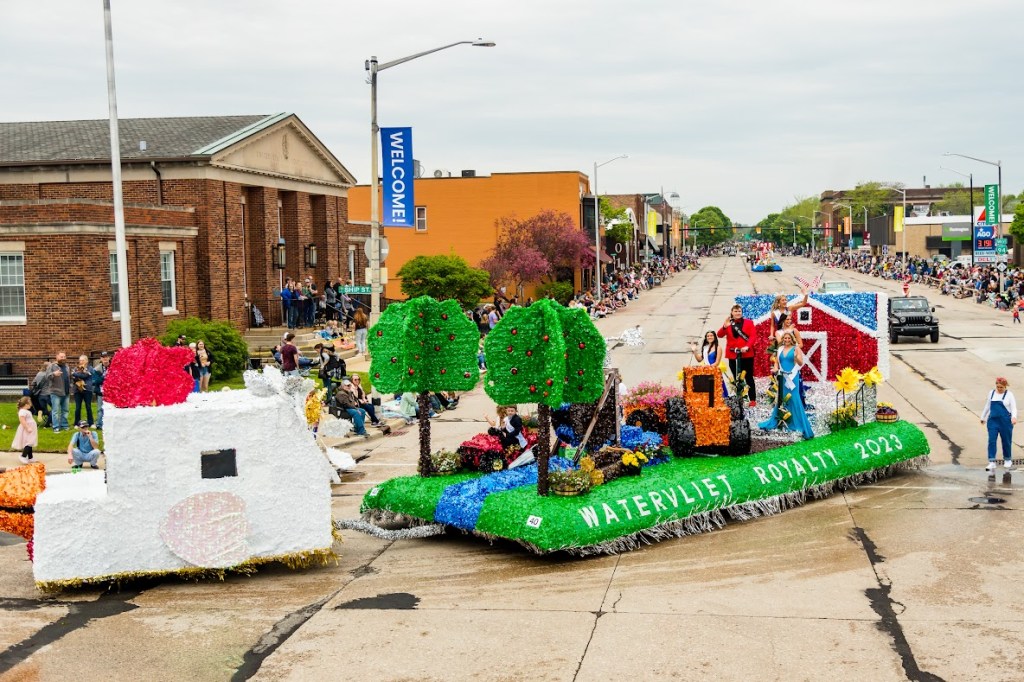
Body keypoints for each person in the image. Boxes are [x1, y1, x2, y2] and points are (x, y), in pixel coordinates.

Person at [758, 331, 814, 439]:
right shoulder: (780, 349)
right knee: (782, 397)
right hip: (783, 376)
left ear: (792, 339)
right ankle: (781, 420)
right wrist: (775, 368)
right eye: (785, 338)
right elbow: (777, 362)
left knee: (794, 398)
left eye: (789, 338)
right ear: (783, 339)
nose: (787, 340)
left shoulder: (796, 348)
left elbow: (800, 363)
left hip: (793, 377)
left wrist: (796, 357)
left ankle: (798, 423)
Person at [717, 304, 757, 406]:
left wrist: (747, 346)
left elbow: (753, 336)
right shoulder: (728, 323)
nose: (738, 313)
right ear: (732, 313)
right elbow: (719, 335)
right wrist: (724, 327)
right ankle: (739, 398)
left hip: (747, 354)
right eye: (735, 311)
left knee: (748, 377)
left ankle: (752, 399)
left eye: (739, 311)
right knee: (736, 378)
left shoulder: (749, 322)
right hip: (732, 354)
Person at [980, 377, 1016, 471]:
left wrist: (1014, 417)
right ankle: (992, 462)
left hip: (1005, 422)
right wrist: (983, 417)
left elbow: (1013, 408)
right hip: (993, 421)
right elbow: (987, 406)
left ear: (1005, 386)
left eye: (1001, 387)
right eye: (998, 387)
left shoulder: (1009, 395)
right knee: (992, 440)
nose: (999, 389)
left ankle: (1007, 460)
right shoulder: (991, 393)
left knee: (1006, 441)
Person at [46, 352, 71, 433]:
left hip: (66, 392)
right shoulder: (52, 366)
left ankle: (64, 425)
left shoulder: (66, 366)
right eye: (61, 357)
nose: (63, 358)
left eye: (64, 356)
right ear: (57, 357)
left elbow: (69, 378)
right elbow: (47, 377)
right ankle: (56, 427)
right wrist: (54, 374)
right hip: (56, 392)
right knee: (56, 411)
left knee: (65, 410)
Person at [12, 396, 37, 464]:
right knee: (29, 443)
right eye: (30, 403)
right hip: (27, 430)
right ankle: (23, 456)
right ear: (26, 404)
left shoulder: (26, 411)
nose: (31, 405)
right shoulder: (22, 411)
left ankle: (30, 457)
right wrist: (27, 427)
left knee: (30, 443)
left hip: (30, 429)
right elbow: (22, 421)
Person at [30, 360, 52, 428]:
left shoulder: (39, 373)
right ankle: (48, 423)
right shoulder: (49, 375)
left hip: (40, 396)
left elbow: (33, 383)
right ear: (47, 367)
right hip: (48, 394)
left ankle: (42, 417)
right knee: (55, 409)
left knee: (44, 410)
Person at [93, 352, 110, 429]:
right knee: (100, 409)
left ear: (109, 358)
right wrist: (104, 376)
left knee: (110, 408)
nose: (105, 359)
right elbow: (96, 381)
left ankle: (109, 423)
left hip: (111, 392)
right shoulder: (97, 369)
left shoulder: (113, 366)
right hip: (101, 392)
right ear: (101, 359)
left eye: (106, 357)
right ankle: (99, 424)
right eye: (103, 357)